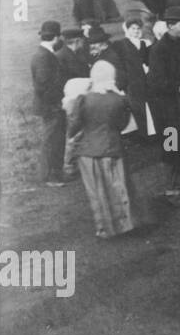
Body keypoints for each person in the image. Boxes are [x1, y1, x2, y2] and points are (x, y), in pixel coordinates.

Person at [68, 60, 144, 239]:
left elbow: (74, 126)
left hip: (88, 151)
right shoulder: (119, 99)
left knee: (97, 192)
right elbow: (123, 124)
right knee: (119, 186)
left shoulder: (83, 99)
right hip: (113, 147)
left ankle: (104, 228)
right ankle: (125, 224)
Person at [146, 9, 180, 207]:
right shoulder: (159, 50)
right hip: (167, 111)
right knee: (171, 148)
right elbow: (157, 82)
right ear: (170, 26)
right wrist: (178, 87)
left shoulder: (179, 44)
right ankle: (172, 191)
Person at [32, 20, 67, 187]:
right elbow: (44, 85)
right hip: (51, 106)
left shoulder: (44, 54)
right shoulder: (44, 57)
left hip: (50, 105)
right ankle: (50, 176)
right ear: (56, 37)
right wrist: (57, 103)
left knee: (54, 139)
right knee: (52, 140)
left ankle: (52, 174)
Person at [110, 18, 154, 140]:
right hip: (131, 81)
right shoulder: (121, 44)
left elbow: (148, 61)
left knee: (147, 106)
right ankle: (141, 134)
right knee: (136, 107)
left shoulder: (144, 44)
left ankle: (150, 133)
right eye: (132, 29)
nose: (135, 31)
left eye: (138, 28)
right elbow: (118, 63)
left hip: (144, 79)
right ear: (127, 30)